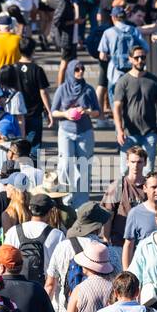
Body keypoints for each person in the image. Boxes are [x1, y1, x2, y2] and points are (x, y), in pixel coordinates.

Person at [49, 59, 99, 207]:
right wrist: (66, 114)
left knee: (83, 167)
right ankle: (65, 199)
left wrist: (87, 111)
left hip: (85, 132)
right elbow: (53, 111)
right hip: (66, 131)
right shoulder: (62, 89)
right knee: (65, 164)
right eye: (77, 69)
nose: (80, 72)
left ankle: (81, 202)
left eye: (82, 69)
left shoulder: (88, 89)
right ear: (71, 71)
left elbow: (98, 112)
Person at [112, 44, 157, 169]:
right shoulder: (123, 81)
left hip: (150, 132)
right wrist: (119, 131)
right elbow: (117, 108)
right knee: (125, 171)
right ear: (130, 59)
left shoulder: (154, 81)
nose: (140, 60)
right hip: (129, 133)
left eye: (143, 57)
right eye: (136, 58)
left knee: (148, 171)